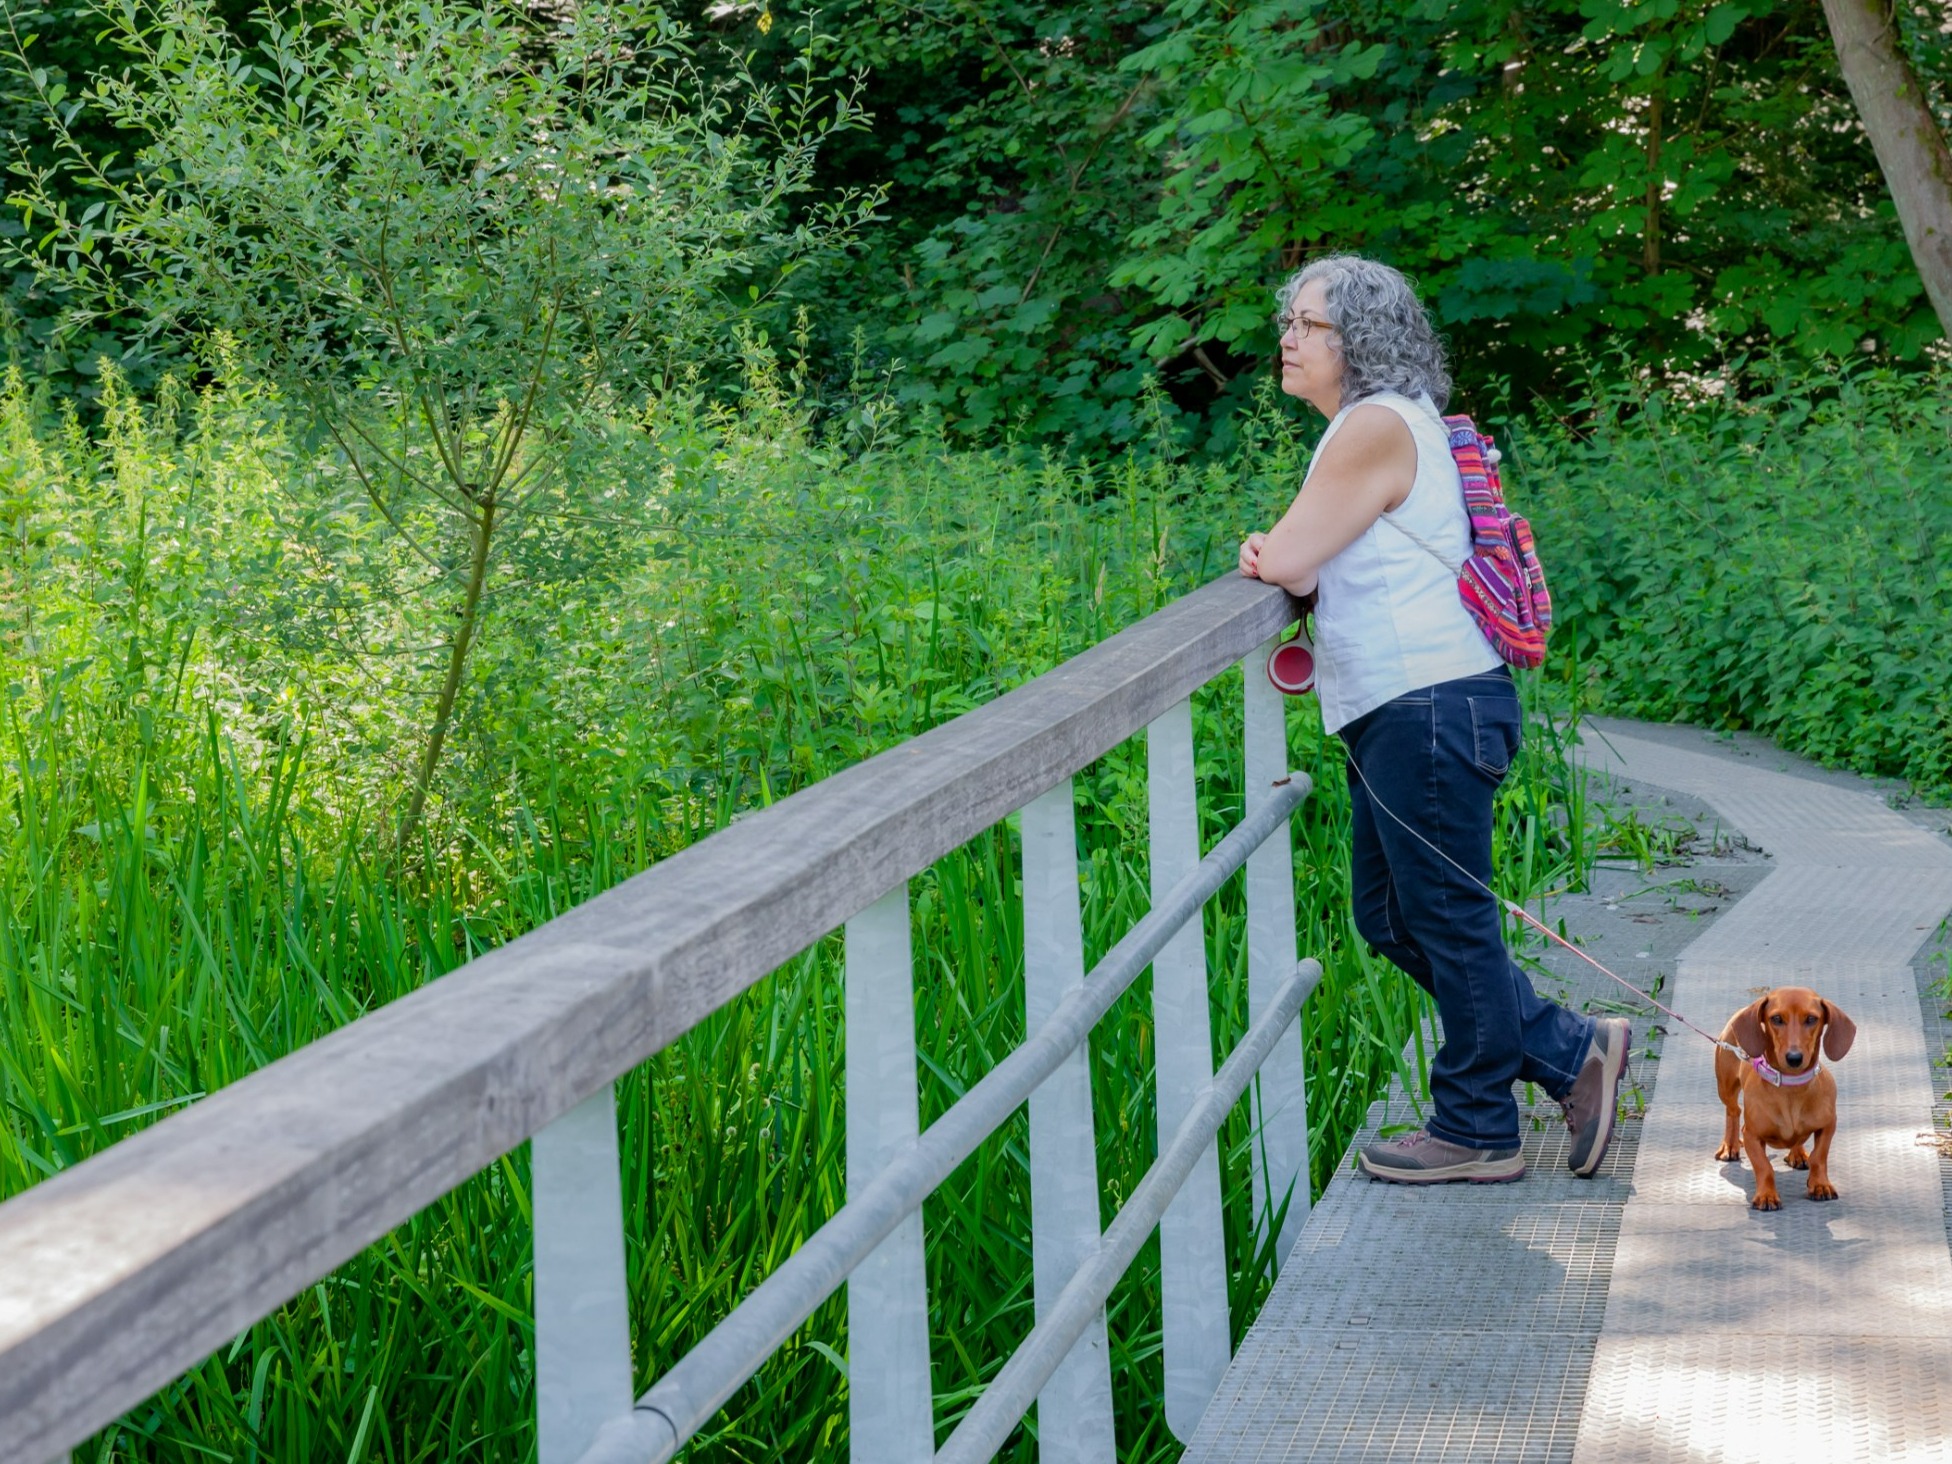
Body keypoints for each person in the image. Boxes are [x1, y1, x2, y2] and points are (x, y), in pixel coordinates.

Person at [1238, 254, 1628, 1184]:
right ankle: (1570, 1053)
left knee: (1444, 920)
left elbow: (1290, 559)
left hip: (1429, 709)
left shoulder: (1373, 425)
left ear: (1359, 339)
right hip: (1411, 711)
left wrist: (1263, 548)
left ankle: (1478, 1127)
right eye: (1287, 323)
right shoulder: (1377, 426)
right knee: (1390, 916)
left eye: (1308, 325)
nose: (1287, 340)